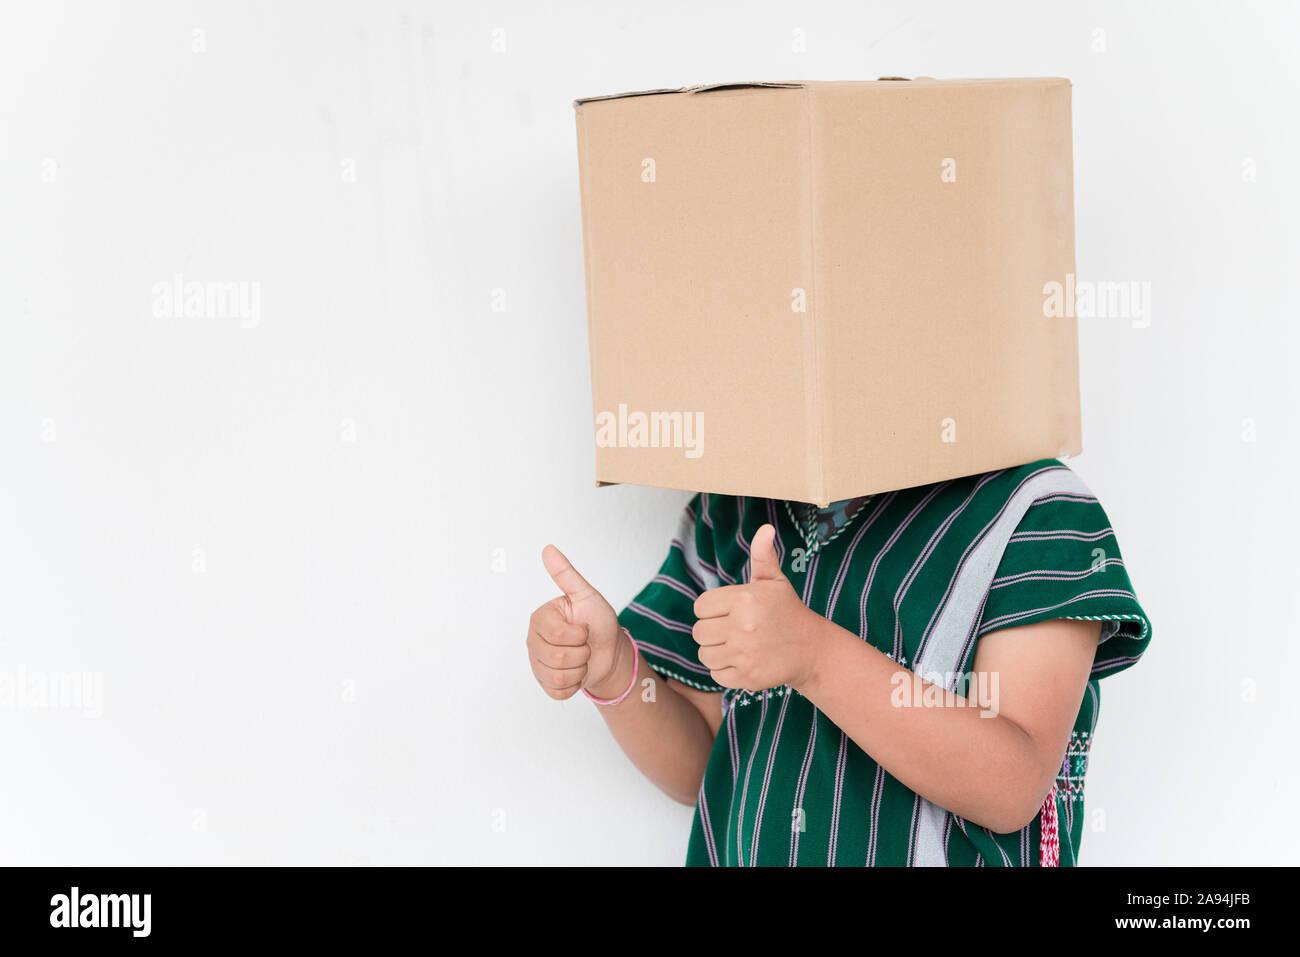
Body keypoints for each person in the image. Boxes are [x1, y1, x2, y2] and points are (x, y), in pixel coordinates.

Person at [526, 458, 1150, 866]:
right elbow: (705, 764)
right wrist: (613, 672)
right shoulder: (737, 508)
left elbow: (1013, 783)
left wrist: (812, 656)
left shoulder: (1037, 508)